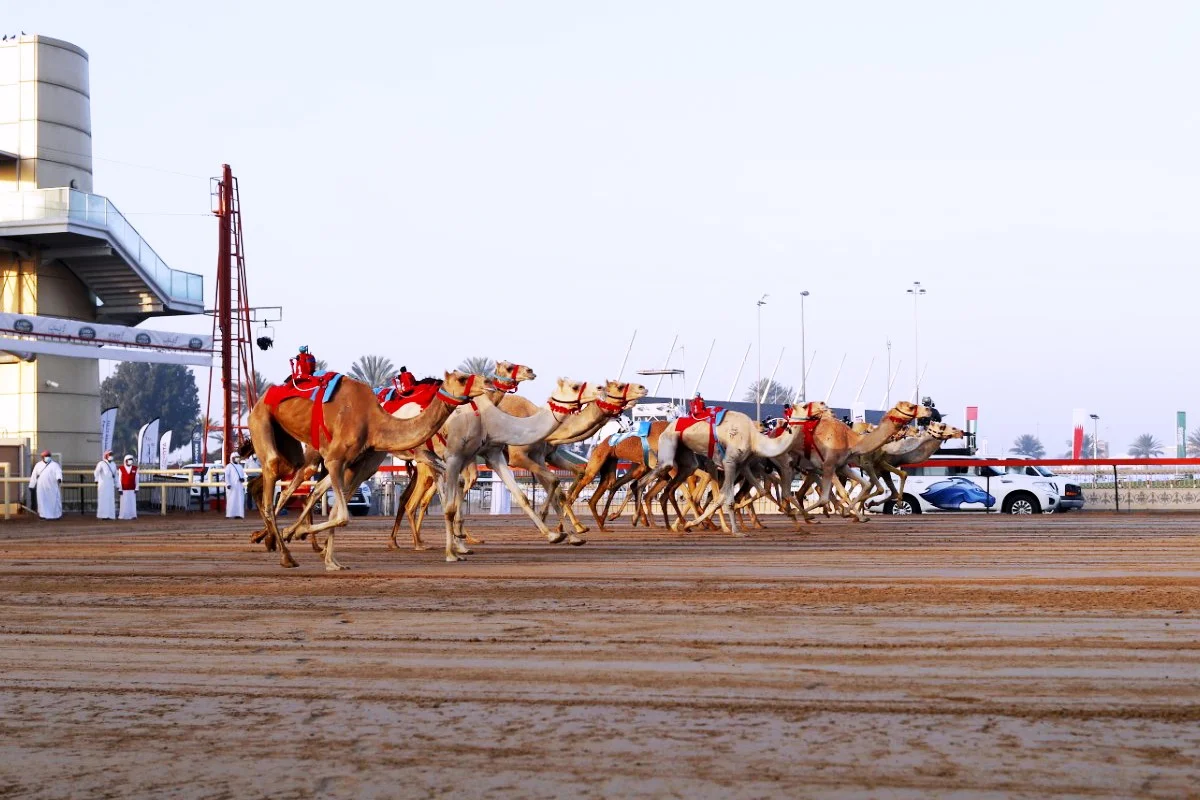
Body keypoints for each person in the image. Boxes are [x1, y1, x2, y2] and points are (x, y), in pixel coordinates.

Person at [28, 450, 62, 520]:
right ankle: (43, 515)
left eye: (48, 456)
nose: (47, 457)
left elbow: (58, 472)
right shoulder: (38, 465)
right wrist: (32, 485)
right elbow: (34, 475)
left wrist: (59, 479)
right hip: (41, 487)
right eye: (46, 456)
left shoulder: (55, 465)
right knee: (42, 500)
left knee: (54, 500)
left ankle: (55, 515)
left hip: (52, 486)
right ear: (42, 457)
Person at [93, 450, 117, 520]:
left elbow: (115, 475)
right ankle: (103, 515)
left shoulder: (114, 464)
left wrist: (117, 484)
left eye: (112, 455)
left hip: (110, 485)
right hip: (103, 485)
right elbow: (96, 472)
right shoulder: (101, 463)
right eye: (110, 455)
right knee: (103, 500)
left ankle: (110, 515)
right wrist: (96, 480)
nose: (111, 456)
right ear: (106, 456)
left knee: (110, 500)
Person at [225, 453, 247, 519]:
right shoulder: (229, 466)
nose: (237, 458)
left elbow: (242, 475)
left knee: (240, 500)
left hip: (239, 486)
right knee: (231, 500)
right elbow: (227, 476)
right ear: (232, 458)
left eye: (238, 457)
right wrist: (228, 484)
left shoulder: (240, 466)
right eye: (235, 457)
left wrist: (243, 479)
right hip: (232, 486)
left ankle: (239, 514)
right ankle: (229, 514)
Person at [118, 455, 139, 520]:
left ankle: (133, 515)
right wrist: (120, 488)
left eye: (131, 459)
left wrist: (137, 488)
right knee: (124, 503)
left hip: (132, 488)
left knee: (132, 502)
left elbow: (137, 478)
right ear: (125, 461)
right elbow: (119, 479)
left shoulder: (135, 468)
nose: (130, 461)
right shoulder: (121, 468)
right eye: (129, 459)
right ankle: (123, 516)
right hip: (124, 488)